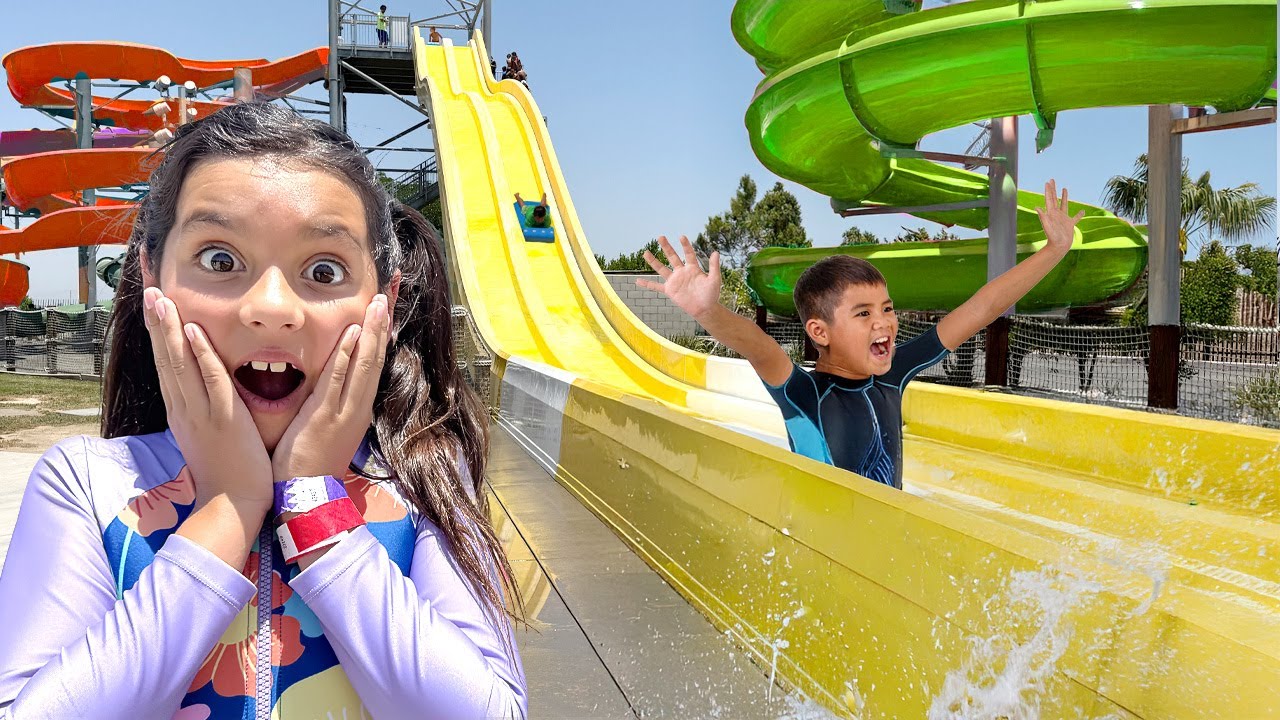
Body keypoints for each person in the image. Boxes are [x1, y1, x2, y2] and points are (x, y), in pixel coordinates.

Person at [0, 102, 527, 718]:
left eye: (324, 270)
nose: (273, 307)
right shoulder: (86, 485)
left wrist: (312, 501)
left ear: (385, 298)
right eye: (219, 260)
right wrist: (227, 507)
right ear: (151, 277)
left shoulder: (423, 476)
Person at [640, 181, 1084, 489]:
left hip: (887, 546)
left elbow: (982, 307)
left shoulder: (895, 375)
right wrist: (708, 311)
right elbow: (756, 346)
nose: (884, 322)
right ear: (820, 331)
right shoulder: (804, 393)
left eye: (887, 309)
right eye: (863, 313)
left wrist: (1053, 252)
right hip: (824, 552)